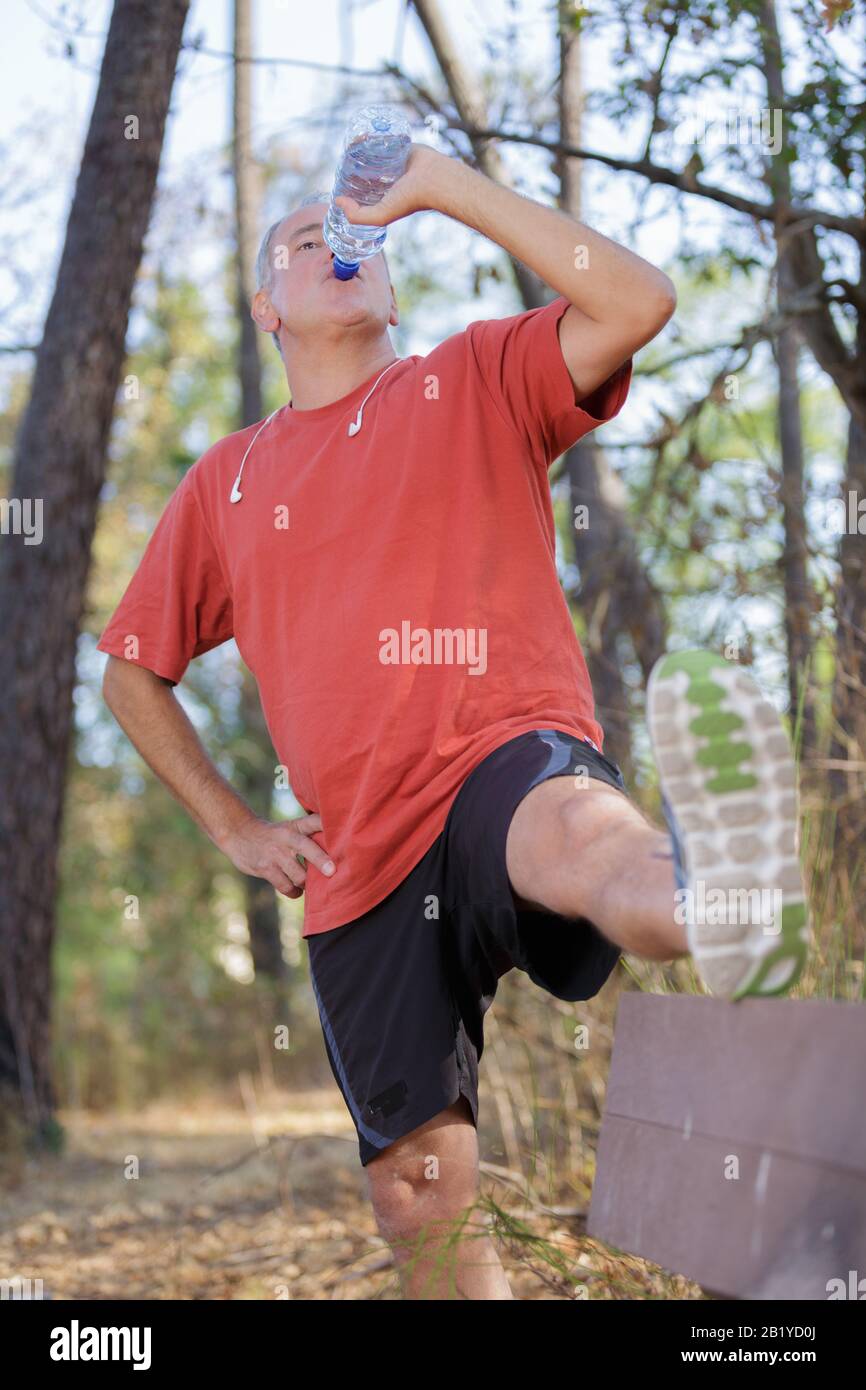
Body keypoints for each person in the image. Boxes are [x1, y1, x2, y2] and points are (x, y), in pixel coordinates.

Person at [97, 143, 810, 1300]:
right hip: (354, 860)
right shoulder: (224, 483)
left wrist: (443, 184)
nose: (329, 239)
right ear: (264, 307)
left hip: (498, 755)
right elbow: (132, 670)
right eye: (294, 240)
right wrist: (235, 827)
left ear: (389, 280)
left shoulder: (473, 377)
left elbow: (638, 298)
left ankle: (724, 898)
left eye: (349, 232)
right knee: (416, 1192)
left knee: (582, 835)